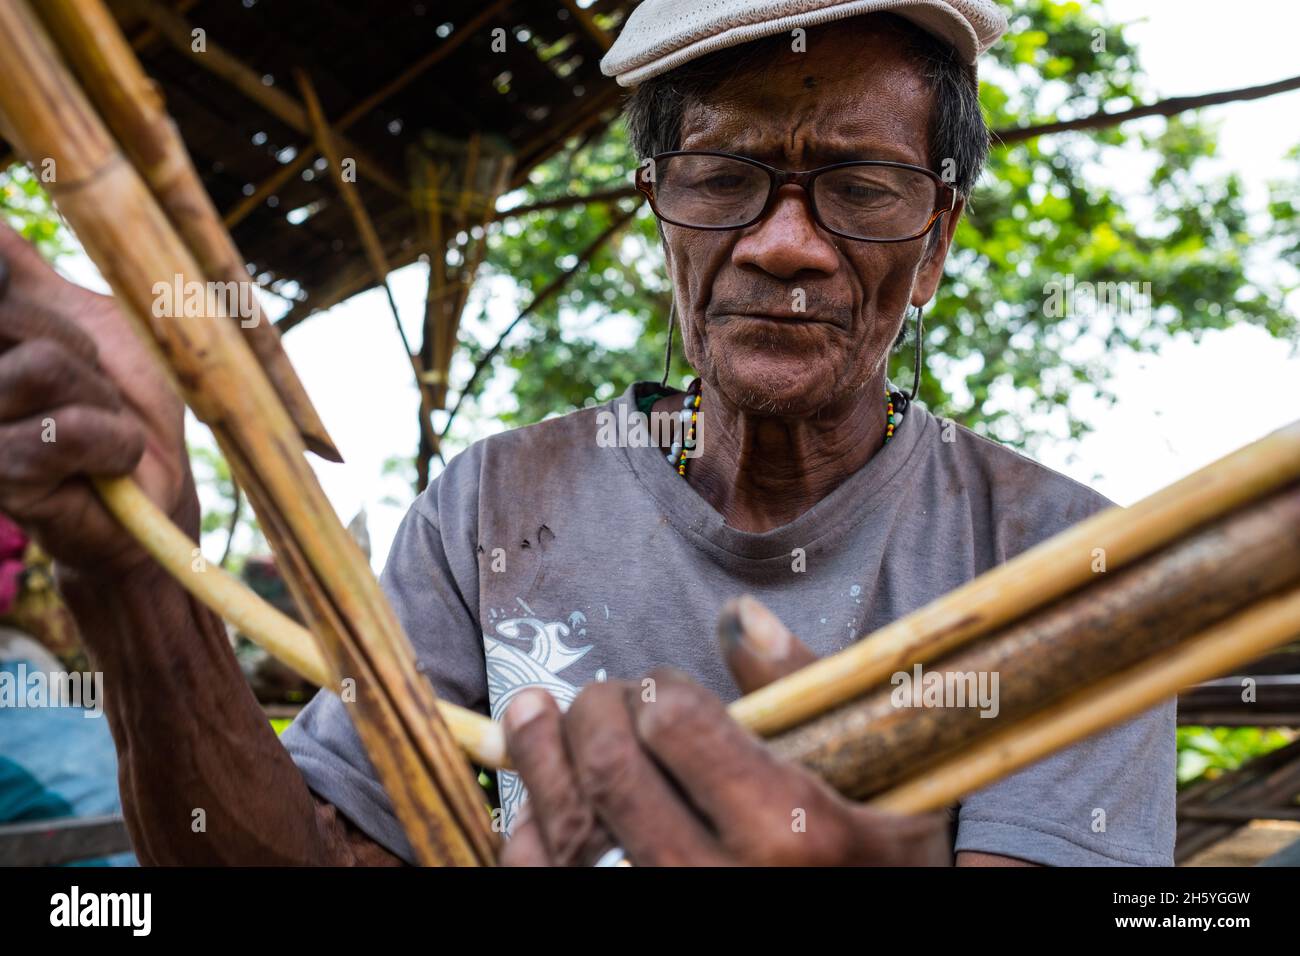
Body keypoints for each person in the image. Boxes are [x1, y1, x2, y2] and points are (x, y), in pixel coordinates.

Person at [0, 0, 1175, 866]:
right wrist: (135, 577)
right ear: (661, 210)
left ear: (935, 246)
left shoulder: (1065, 562)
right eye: (724, 175)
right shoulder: (492, 505)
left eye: (863, 189)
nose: (784, 242)